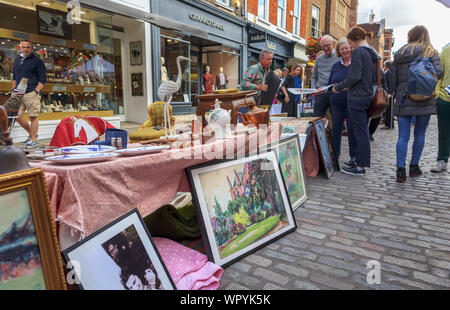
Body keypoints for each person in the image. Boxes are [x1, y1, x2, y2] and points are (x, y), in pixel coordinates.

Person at [390, 25, 443, 182]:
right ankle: (414, 167)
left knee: (403, 135)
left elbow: (393, 83)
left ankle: (400, 170)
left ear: (410, 36)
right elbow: (439, 73)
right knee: (419, 134)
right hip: (424, 98)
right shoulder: (430, 52)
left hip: (404, 98)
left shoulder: (399, 53)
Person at [333, 27, 380, 176]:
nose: (350, 47)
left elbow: (354, 77)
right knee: (362, 131)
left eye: (350, 43)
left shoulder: (359, 52)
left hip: (357, 98)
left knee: (360, 133)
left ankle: (360, 167)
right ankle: (359, 162)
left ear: (357, 40)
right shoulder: (372, 52)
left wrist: (338, 86)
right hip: (367, 96)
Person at [327, 38, 357, 166]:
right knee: (336, 131)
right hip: (337, 103)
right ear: (339, 51)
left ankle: (353, 158)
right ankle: (335, 156)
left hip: (352, 103)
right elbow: (330, 84)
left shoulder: (356, 64)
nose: (344, 51)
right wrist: (328, 89)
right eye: (342, 49)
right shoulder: (335, 66)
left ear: (350, 49)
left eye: (346, 48)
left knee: (352, 130)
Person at [12, 40, 46, 148]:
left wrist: (36, 91)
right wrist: (13, 90)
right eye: (23, 47)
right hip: (18, 92)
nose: (26, 49)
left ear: (31, 48)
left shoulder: (37, 61)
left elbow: (43, 79)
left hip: (31, 91)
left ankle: (33, 139)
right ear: (20, 47)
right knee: (15, 116)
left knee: (33, 117)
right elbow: (14, 77)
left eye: (28, 47)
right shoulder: (17, 60)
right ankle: (32, 134)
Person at [431, 43, 450, 173]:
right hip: (445, 98)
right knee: (444, 132)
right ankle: (442, 160)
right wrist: (438, 94)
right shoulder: (446, 51)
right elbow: (439, 75)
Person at [311, 35, 339, 117]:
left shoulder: (339, 57)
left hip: (335, 92)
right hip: (321, 93)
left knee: (336, 118)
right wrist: (314, 90)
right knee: (316, 119)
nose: (326, 48)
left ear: (333, 44)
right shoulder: (319, 59)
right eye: (323, 46)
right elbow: (314, 77)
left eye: (327, 45)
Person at [380, 60, 395, 130]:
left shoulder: (389, 73)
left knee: (389, 109)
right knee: (388, 109)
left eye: (384, 65)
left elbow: (390, 83)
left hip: (388, 93)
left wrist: (390, 93)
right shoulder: (390, 72)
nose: (384, 66)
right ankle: (389, 123)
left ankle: (389, 124)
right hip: (389, 93)